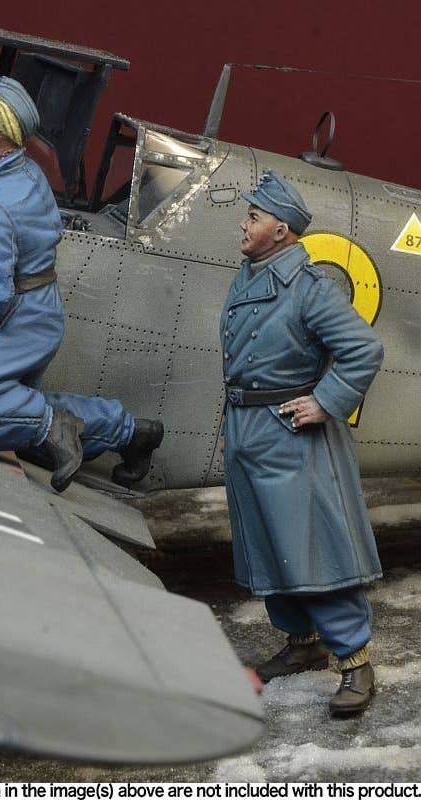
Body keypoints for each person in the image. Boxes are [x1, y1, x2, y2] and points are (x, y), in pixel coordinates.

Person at [0, 76, 163, 492]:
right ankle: (129, 432)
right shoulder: (23, 169)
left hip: (12, 316)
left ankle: (53, 426)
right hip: (40, 309)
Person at [220, 170, 384, 716]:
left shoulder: (310, 289)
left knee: (313, 550)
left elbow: (362, 349)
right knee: (269, 544)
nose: (244, 222)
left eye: (255, 216)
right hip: (251, 428)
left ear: (282, 230)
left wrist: (325, 401)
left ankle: (356, 662)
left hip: (290, 434)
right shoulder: (250, 275)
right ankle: (300, 642)